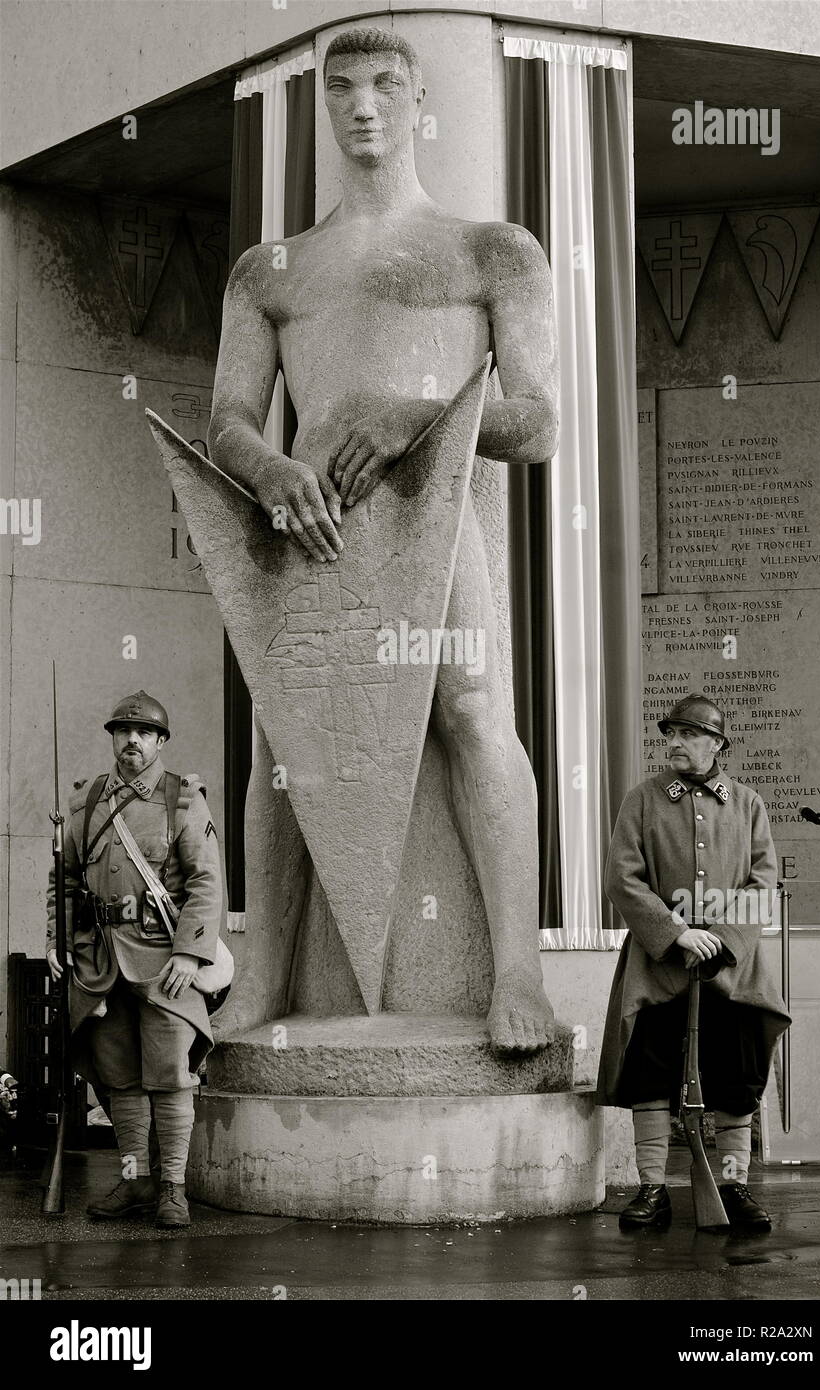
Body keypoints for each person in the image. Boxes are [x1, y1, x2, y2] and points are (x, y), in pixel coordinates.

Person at [207, 26, 560, 1051]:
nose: (362, 106)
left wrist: (411, 416)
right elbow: (227, 418)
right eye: (343, 89)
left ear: (418, 108)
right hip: (312, 526)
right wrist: (271, 470)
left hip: (432, 518)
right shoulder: (270, 270)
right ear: (325, 107)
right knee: (282, 736)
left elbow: (535, 424)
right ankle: (264, 974)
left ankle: (516, 974)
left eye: (385, 87)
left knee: (473, 706)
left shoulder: (486, 249)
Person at [596, 694, 791, 1231]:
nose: (675, 742)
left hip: (732, 970)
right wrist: (677, 932)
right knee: (651, 1075)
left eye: (688, 734)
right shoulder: (643, 800)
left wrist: (722, 938)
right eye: (670, 734)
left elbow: (763, 882)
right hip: (659, 966)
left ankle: (734, 1189)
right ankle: (652, 1190)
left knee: (737, 1076)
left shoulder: (748, 804)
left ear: (716, 744)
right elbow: (622, 878)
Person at [46, 691, 223, 1228]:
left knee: (169, 1077)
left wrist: (192, 955)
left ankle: (172, 1188)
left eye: (143, 733)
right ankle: (133, 1180)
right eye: (122, 731)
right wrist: (60, 943)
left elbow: (206, 882)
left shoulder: (183, 799)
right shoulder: (86, 802)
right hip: (101, 964)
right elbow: (65, 882)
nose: (132, 741)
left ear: (160, 741)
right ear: (112, 738)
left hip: (166, 964)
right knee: (119, 1079)